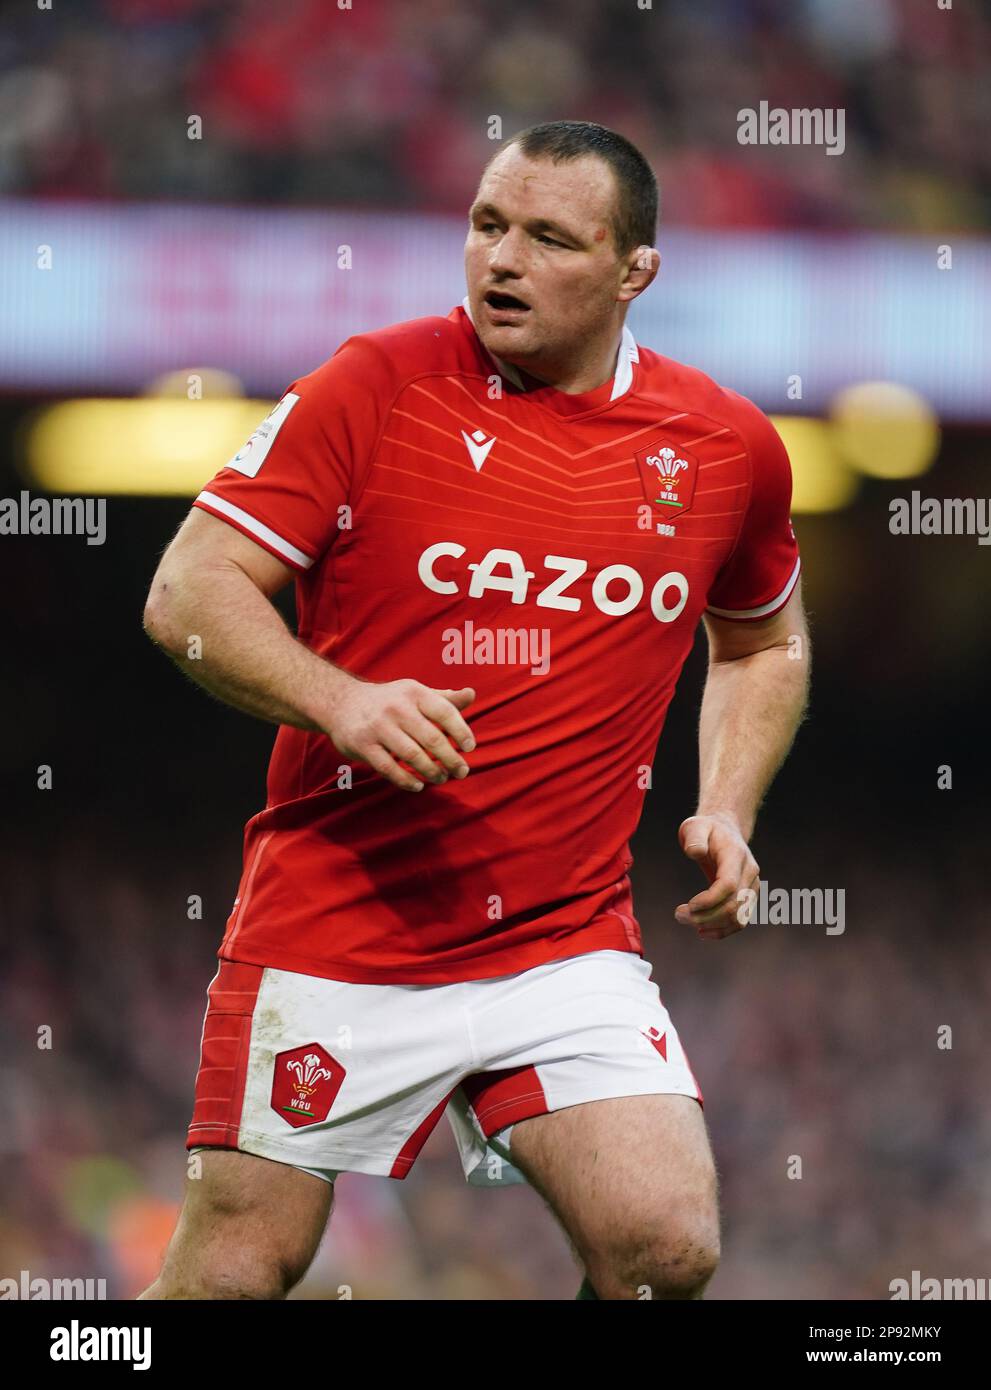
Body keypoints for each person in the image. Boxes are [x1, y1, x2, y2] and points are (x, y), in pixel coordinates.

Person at [140, 120, 809, 1301]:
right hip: (339, 917)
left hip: (561, 938)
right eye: (487, 224)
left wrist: (727, 804)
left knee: (664, 1250)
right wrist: (336, 698)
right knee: (239, 1270)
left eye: (549, 237)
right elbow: (187, 589)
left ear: (632, 270)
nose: (501, 258)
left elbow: (764, 642)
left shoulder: (722, 447)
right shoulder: (375, 385)